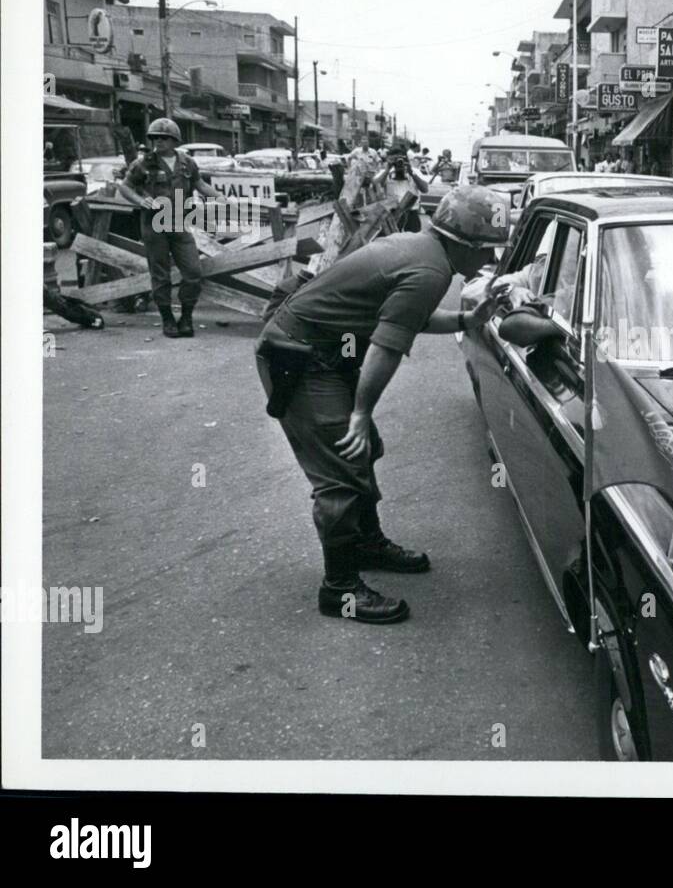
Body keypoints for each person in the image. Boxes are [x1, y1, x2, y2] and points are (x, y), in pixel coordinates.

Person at [255, 186, 508, 624]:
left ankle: (366, 545)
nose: (489, 260)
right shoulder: (430, 270)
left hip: (319, 353)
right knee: (341, 475)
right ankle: (339, 590)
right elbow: (386, 346)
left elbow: (403, 315)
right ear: (464, 245)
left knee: (362, 452)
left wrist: (469, 319)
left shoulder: (421, 251)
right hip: (300, 359)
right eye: (486, 249)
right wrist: (360, 412)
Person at [115, 117, 230, 338]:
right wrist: (140, 201)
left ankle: (186, 317)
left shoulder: (187, 163)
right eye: (155, 138)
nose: (158, 141)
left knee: (193, 272)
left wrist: (220, 197)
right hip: (153, 224)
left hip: (178, 222)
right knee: (160, 275)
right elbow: (125, 187)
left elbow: (199, 184)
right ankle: (167, 319)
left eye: (164, 138)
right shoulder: (143, 164)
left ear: (174, 140)